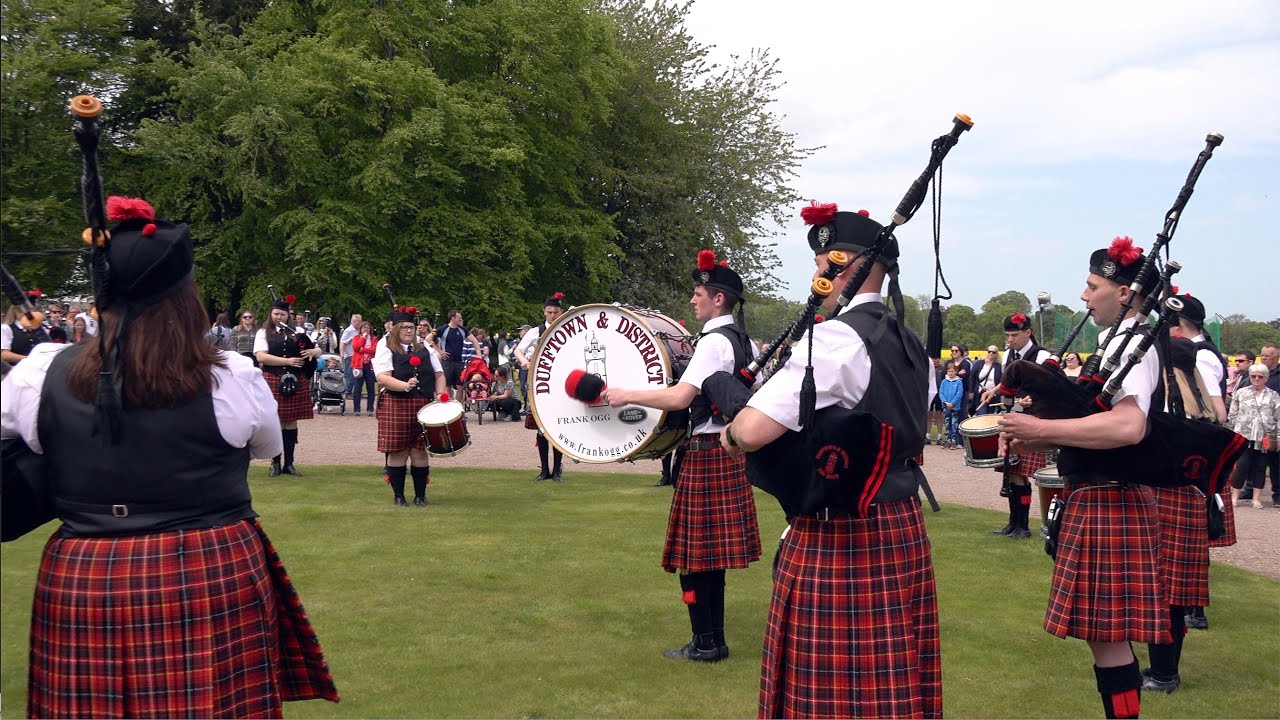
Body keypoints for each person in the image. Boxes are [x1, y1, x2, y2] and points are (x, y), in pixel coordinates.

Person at [0, 195, 337, 716]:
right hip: (208, 567)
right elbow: (267, 446)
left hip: (85, 573)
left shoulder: (40, 373)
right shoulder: (231, 376)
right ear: (186, 296)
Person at [720, 206, 938, 717]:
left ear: (845, 266)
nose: (816, 274)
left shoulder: (839, 339)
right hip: (900, 523)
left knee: (832, 698)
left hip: (842, 530)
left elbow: (753, 431)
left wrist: (730, 433)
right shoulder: (911, 342)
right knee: (888, 687)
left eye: (823, 260)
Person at [999, 236, 1167, 720]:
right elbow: (1094, 422)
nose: (1085, 295)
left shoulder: (1137, 342)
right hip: (1097, 495)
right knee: (1103, 636)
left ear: (1126, 292)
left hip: (1112, 499)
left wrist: (1041, 428)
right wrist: (1036, 437)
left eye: (1094, 286)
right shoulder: (1117, 341)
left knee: (1109, 636)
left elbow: (1128, 426)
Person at [605, 250, 761, 663]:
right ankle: (715, 639)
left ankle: (704, 642)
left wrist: (626, 393)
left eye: (698, 294)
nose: (692, 301)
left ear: (719, 300)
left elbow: (679, 396)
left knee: (694, 560)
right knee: (712, 560)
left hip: (707, 454)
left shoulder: (712, 343)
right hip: (727, 455)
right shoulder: (743, 342)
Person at [981, 312, 1054, 539]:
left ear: (1028, 332)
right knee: (1011, 473)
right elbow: (1007, 382)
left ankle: (1023, 526)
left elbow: (1051, 386)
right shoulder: (1009, 355)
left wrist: (1034, 398)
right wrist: (993, 390)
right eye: (1007, 335)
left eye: (1014, 335)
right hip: (1012, 417)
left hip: (1032, 420)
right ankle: (1013, 524)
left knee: (1021, 474)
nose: (1010, 339)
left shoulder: (1042, 356)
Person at [373, 306, 446, 506]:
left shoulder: (425, 349)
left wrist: (440, 395)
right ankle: (399, 497)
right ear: (395, 329)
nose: (409, 331)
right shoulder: (385, 347)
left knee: (420, 451)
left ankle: (420, 496)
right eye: (404, 327)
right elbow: (383, 377)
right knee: (398, 451)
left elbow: (439, 375)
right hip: (396, 403)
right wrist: (405, 385)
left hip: (423, 404)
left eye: (412, 327)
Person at [254, 291, 322, 476]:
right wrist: (288, 362)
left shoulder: (298, 332)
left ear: (288, 315)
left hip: (296, 378)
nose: (278, 317)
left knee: (291, 421)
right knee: (276, 421)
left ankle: (289, 464)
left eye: (282, 314)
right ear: (271, 314)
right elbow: (261, 356)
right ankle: (275, 463)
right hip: (273, 378)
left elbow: (317, 349)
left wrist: (313, 353)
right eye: (275, 314)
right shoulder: (263, 332)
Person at [516, 294, 567, 481]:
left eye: (555, 312)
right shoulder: (535, 331)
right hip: (539, 385)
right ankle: (545, 470)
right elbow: (518, 350)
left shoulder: (566, 330)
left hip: (560, 385)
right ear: (544, 312)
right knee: (541, 429)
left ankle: (557, 470)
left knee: (558, 427)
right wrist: (525, 363)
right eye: (549, 312)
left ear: (561, 311)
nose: (552, 315)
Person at [1227, 363, 1280, 508]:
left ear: (1266, 378)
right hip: (1243, 436)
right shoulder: (1241, 393)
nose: (1256, 379)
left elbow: (1278, 417)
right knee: (1241, 466)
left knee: (1260, 467)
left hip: (1264, 438)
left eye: (1260, 376)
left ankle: (1256, 499)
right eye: (1253, 376)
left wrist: (1279, 436)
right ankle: (1235, 497)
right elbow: (1232, 414)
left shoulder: (1273, 395)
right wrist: (1230, 434)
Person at [436, 311, 480, 398]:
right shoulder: (443, 329)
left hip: (459, 361)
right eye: (459, 317)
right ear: (453, 318)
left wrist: (479, 354)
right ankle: (449, 405)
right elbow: (428, 339)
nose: (461, 319)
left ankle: (459, 406)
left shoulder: (462, 329)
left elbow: (474, 340)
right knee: (448, 386)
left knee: (460, 386)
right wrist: (439, 351)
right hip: (447, 361)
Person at [2, 293, 52, 365]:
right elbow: (4, 355)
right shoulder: (6, 329)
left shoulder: (39, 329)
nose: (29, 313)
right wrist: (29, 359)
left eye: (31, 310)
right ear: (15, 310)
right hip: (14, 371)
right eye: (24, 310)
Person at [351, 321, 379, 417]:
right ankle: (356, 409)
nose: (366, 329)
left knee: (370, 387)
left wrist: (363, 350)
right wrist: (363, 338)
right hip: (359, 364)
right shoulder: (356, 338)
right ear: (361, 329)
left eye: (368, 328)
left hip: (370, 365)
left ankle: (370, 409)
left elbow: (374, 350)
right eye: (364, 328)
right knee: (358, 387)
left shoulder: (374, 339)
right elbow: (356, 347)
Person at [970, 345, 1003, 414]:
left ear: (997, 354)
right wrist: (971, 391)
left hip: (993, 395)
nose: (991, 353)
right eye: (989, 351)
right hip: (980, 393)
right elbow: (972, 378)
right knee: (981, 414)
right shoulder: (979, 364)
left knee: (990, 416)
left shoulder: (999, 366)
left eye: (993, 352)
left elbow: (1001, 380)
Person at [939, 360, 964, 449]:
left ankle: (953, 440)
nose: (950, 373)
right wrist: (945, 402)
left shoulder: (958, 382)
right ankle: (948, 440)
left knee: (954, 423)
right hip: (946, 406)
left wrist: (952, 403)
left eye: (952, 371)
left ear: (956, 372)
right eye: (949, 371)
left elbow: (959, 393)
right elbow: (941, 393)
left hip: (955, 406)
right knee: (947, 423)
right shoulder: (944, 381)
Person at [340, 313, 362, 396]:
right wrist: (342, 354)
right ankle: (348, 392)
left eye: (361, 321)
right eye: (358, 321)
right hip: (350, 355)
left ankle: (354, 391)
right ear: (353, 321)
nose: (360, 323)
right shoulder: (348, 331)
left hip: (357, 356)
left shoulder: (359, 331)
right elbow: (342, 342)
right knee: (350, 375)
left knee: (357, 374)